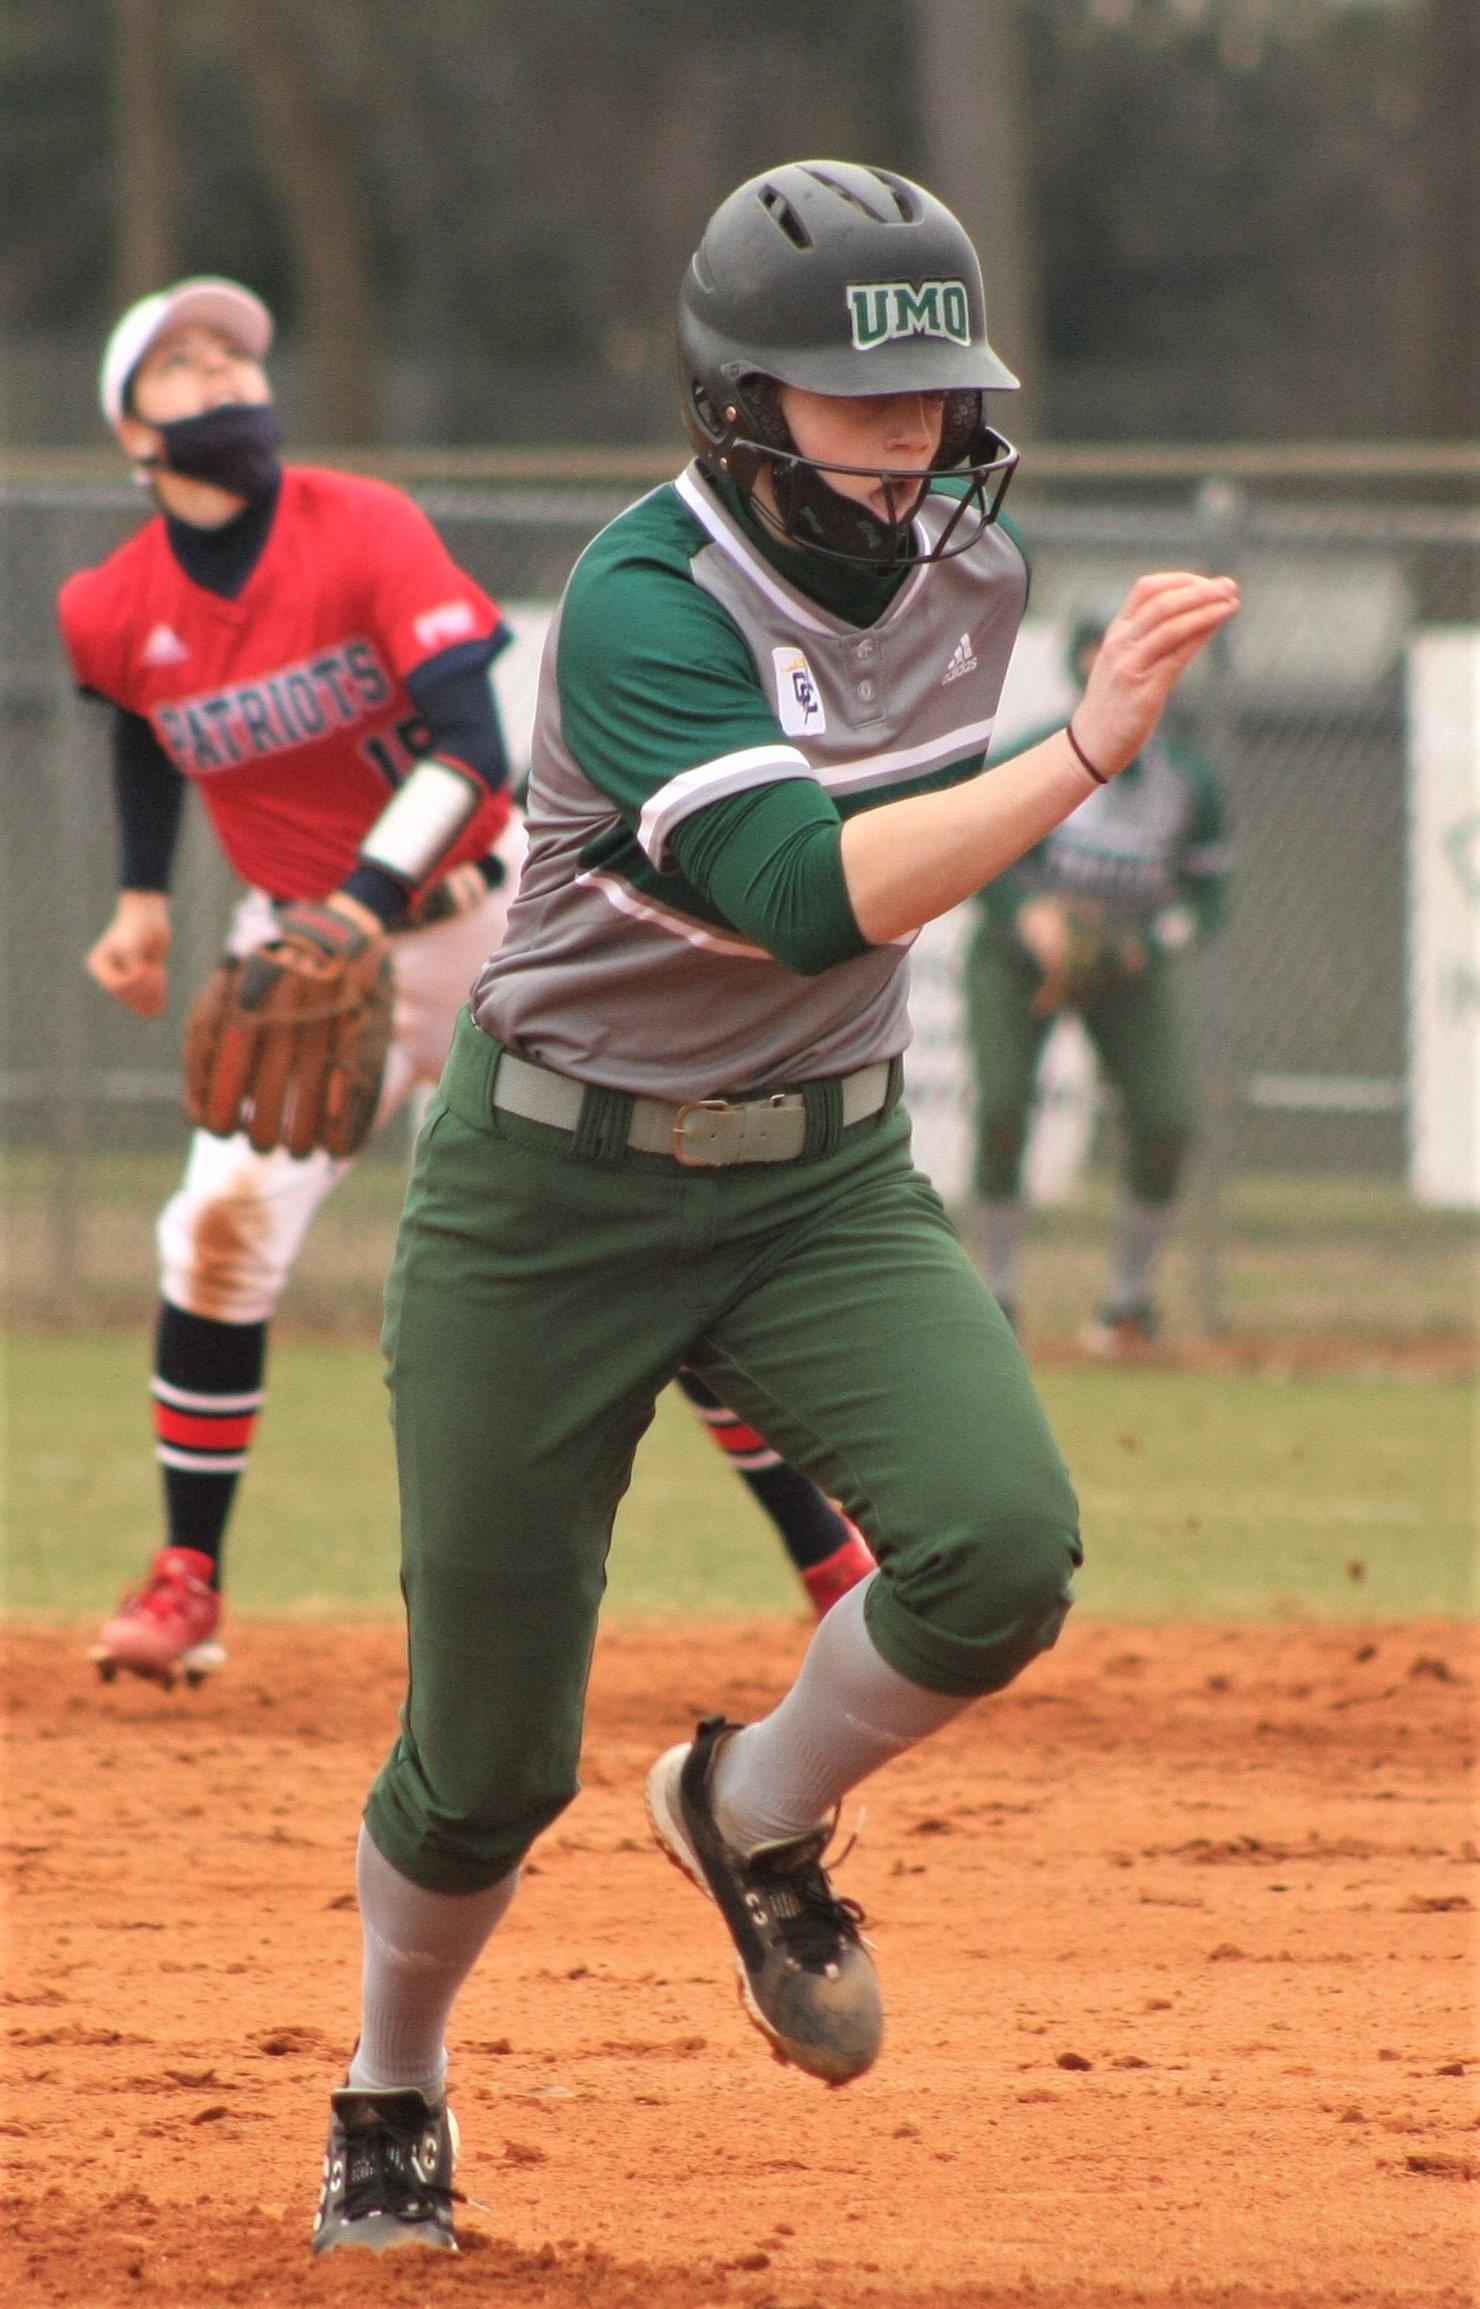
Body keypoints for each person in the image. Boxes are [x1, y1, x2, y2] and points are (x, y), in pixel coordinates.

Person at [307, 160, 1237, 2257]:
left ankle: (749, 1811)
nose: (905, 436)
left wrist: (1043, 748)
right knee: (484, 1755)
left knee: (997, 1549)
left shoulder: (963, 580)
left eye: (930, 398)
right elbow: (803, 892)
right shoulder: (648, 603)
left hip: (817, 1170)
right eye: (851, 396)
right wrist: (1080, 758)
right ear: (738, 403)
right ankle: (393, 2080)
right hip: (552, 1183)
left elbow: (868, 888)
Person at [60, 276, 872, 1693]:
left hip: (503, 928)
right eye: (182, 365)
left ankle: (832, 1563)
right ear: (132, 430)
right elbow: (139, 718)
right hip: (305, 946)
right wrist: (141, 905)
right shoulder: (114, 603)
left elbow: (471, 751)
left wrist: (362, 911)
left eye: (236, 356)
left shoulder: (359, 524)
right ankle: (188, 1580)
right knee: (216, 1231)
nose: (225, 377)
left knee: (639, 1228)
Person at [962, 616, 1232, 1347]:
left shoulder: (1186, 782)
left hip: (1125, 964)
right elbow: (973, 848)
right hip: (1020, 958)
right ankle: (997, 1294)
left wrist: (1150, 938)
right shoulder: (1038, 755)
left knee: (1167, 1116)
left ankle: (1128, 1301)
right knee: (1004, 1105)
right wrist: (1028, 915)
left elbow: (1208, 896)